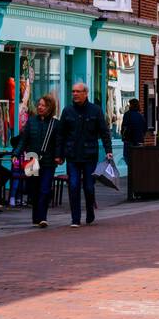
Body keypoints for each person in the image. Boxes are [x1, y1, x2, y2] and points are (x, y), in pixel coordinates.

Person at [58, 81, 114, 227]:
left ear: (85, 93)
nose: (75, 94)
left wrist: (109, 151)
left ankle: (90, 210)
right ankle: (75, 218)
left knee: (89, 187)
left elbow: (104, 132)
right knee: (74, 185)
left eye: (78, 91)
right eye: (73, 91)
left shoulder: (95, 110)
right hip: (72, 155)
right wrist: (60, 154)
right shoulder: (67, 111)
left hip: (89, 155)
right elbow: (61, 135)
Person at [20, 94, 62, 227]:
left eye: (43, 105)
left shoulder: (55, 124)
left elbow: (58, 143)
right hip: (32, 158)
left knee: (44, 189)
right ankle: (36, 217)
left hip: (48, 161)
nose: (40, 107)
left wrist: (59, 156)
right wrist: (16, 153)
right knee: (33, 189)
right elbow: (24, 140)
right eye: (39, 104)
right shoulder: (31, 121)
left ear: (50, 107)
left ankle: (43, 217)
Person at [119, 97, 147, 170]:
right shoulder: (141, 116)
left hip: (129, 141)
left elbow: (124, 127)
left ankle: (132, 174)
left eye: (129, 104)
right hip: (139, 141)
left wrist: (123, 135)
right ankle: (136, 174)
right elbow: (145, 129)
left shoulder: (127, 115)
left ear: (131, 105)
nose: (128, 106)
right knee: (137, 160)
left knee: (127, 158)